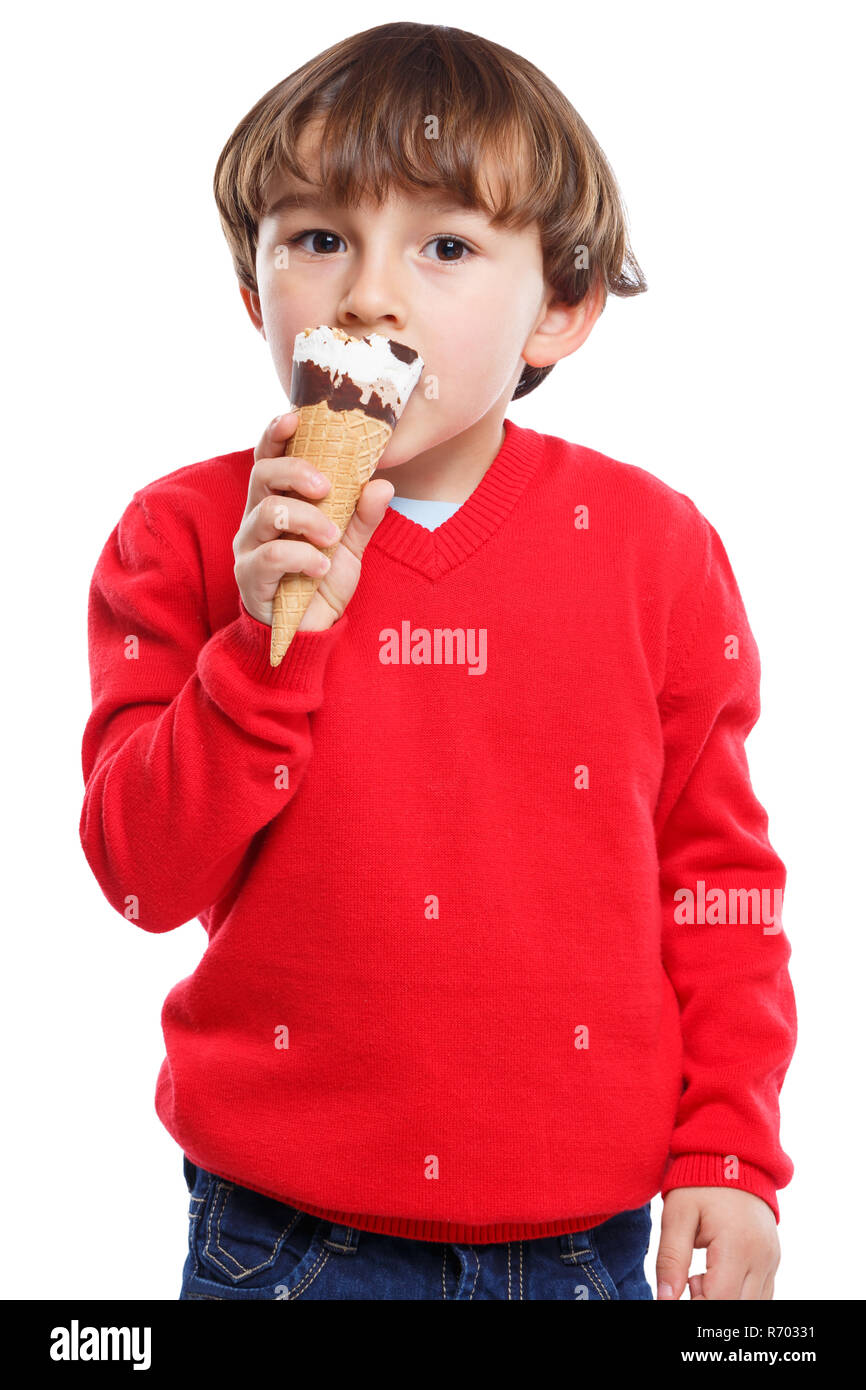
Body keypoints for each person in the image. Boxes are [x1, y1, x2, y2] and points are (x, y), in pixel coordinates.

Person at [79, 21, 796, 1301]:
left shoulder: (655, 548)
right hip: (280, 1227)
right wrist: (259, 639)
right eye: (316, 239)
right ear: (255, 294)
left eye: (447, 246)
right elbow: (141, 875)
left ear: (559, 310)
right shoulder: (182, 536)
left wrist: (729, 1147)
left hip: (582, 1229)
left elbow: (717, 874)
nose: (368, 294)